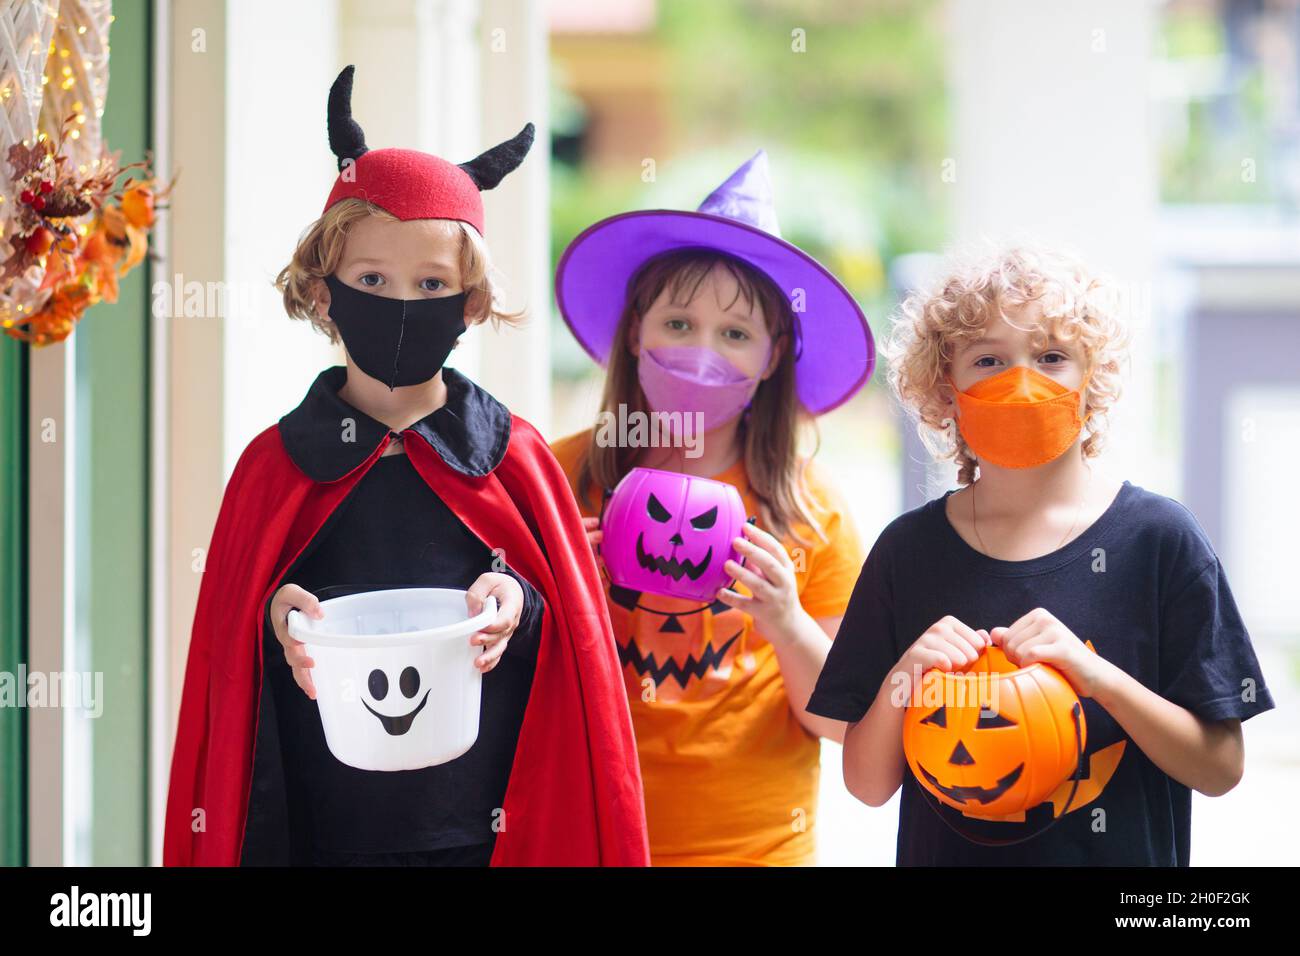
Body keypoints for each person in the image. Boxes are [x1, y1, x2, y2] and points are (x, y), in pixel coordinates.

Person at [163, 65, 649, 867]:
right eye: (372, 281)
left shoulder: (513, 457)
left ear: (470, 304)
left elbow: (575, 661)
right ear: (323, 294)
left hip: (481, 830)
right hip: (325, 832)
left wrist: (518, 608)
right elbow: (233, 675)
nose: (400, 302)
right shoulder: (272, 467)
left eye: (430, 284)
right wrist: (276, 617)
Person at [807, 243, 1275, 865]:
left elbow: (1220, 769)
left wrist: (1099, 679)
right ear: (946, 391)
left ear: (1093, 380)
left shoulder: (1161, 542)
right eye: (988, 359)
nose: (1020, 379)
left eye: (1052, 357)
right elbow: (867, 787)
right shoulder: (907, 552)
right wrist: (903, 679)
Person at [550, 151, 874, 865]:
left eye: (734, 335)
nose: (702, 353)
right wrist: (553, 586)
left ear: (771, 357)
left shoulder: (812, 506)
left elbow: (842, 723)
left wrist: (787, 622)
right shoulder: (560, 475)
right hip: (591, 840)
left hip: (757, 850)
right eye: (677, 324)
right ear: (634, 333)